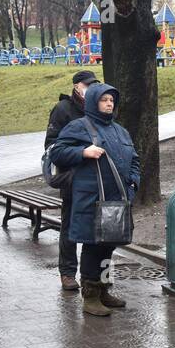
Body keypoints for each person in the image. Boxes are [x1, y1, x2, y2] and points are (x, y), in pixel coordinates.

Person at [48, 82, 140, 316]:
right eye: (104, 100)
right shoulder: (79, 127)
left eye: (112, 100)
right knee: (92, 246)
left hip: (116, 201)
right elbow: (57, 152)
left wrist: (133, 184)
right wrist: (83, 152)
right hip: (90, 200)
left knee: (108, 247)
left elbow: (135, 159)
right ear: (93, 102)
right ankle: (90, 297)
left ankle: (103, 290)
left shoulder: (120, 130)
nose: (109, 104)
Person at [46, 69, 98, 290]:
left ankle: (92, 276)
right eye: (87, 85)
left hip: (96, 178)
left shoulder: (98, 108)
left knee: (95, 227)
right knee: (69, 224)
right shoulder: (62, 110)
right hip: (71, 177)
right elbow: (52, 145)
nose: (90, 89)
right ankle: (67, 272)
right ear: (76, 86)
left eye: (93, 85)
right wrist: (81, 152)